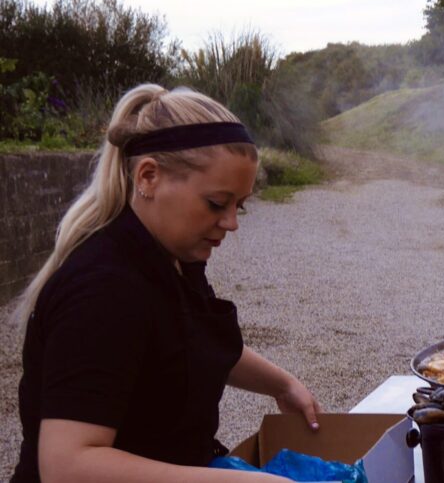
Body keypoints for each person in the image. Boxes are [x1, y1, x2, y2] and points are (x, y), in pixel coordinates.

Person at [12, 85, 320, 482]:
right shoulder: (102, 288)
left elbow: (191, 343)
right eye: (216, 203)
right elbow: (67, 465)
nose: (231, 223)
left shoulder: (173, 259)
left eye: (238, 205)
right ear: (149, 177)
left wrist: (282, 384)